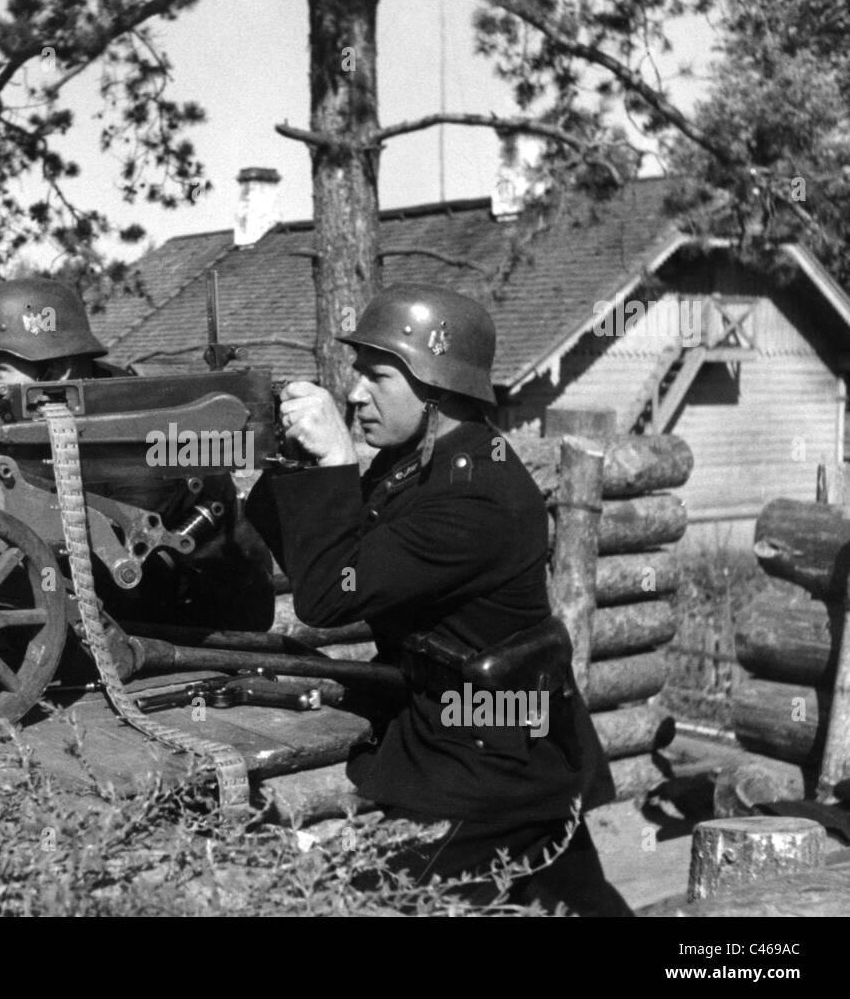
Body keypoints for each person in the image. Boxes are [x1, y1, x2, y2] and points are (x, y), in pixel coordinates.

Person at [245, 283, 631, 916]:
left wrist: (338, 459)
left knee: (362, 904)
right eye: (355, 375)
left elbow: (328, 597)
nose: (353, 393)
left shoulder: (475, 496)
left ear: (434, 385)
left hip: (489, 768)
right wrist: (290, 457)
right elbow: (316, 549)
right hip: (484, 742)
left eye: (376, 377)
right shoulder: (419, 463)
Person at [0, 277, 275, 632]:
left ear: (57, 372)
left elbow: (106, 572)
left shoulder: (140, 432)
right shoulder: (52, 416)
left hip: (196, 624)